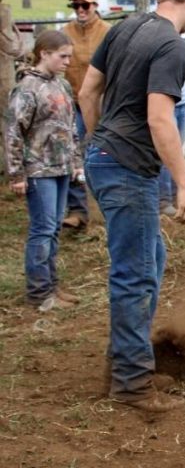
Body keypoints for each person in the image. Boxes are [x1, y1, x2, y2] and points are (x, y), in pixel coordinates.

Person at [78, 0, 185, 413]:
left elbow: (87, 92)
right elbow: (159, 118)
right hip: (128, 168)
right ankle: (132, 383)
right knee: (134, 275)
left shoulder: (123, 28)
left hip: (105, 160)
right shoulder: (172, 44)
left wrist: (99, 142)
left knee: (151, 260)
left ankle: (124, 363)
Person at [4, 30, 83, 311]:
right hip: (38, 170)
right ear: (44, 54)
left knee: (53, 228)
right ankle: (39, 293)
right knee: (43, 229)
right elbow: (13, 132)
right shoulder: (27, 88)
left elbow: (71, 128)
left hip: (60, 167)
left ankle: (51, 285)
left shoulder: (62, 86)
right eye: (62, 56)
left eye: (69, 57)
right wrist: (16, 173)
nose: (67, 62)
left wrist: (76, 162)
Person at [61, 0, 110, 231]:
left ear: (94, 6)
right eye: (76, 5)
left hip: (101, 104)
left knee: (102, 152)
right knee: (74, 154)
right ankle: (78, 209)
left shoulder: (107, 32)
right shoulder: (65, 33)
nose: (80, 9)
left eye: (85, 5)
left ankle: (106, 206)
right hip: (73, 104)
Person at [157, 86, 185, 216]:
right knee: (167, 155)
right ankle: (164, 201)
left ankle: (177, 196)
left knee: (178, 154)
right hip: (166, 106)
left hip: (183, 104)